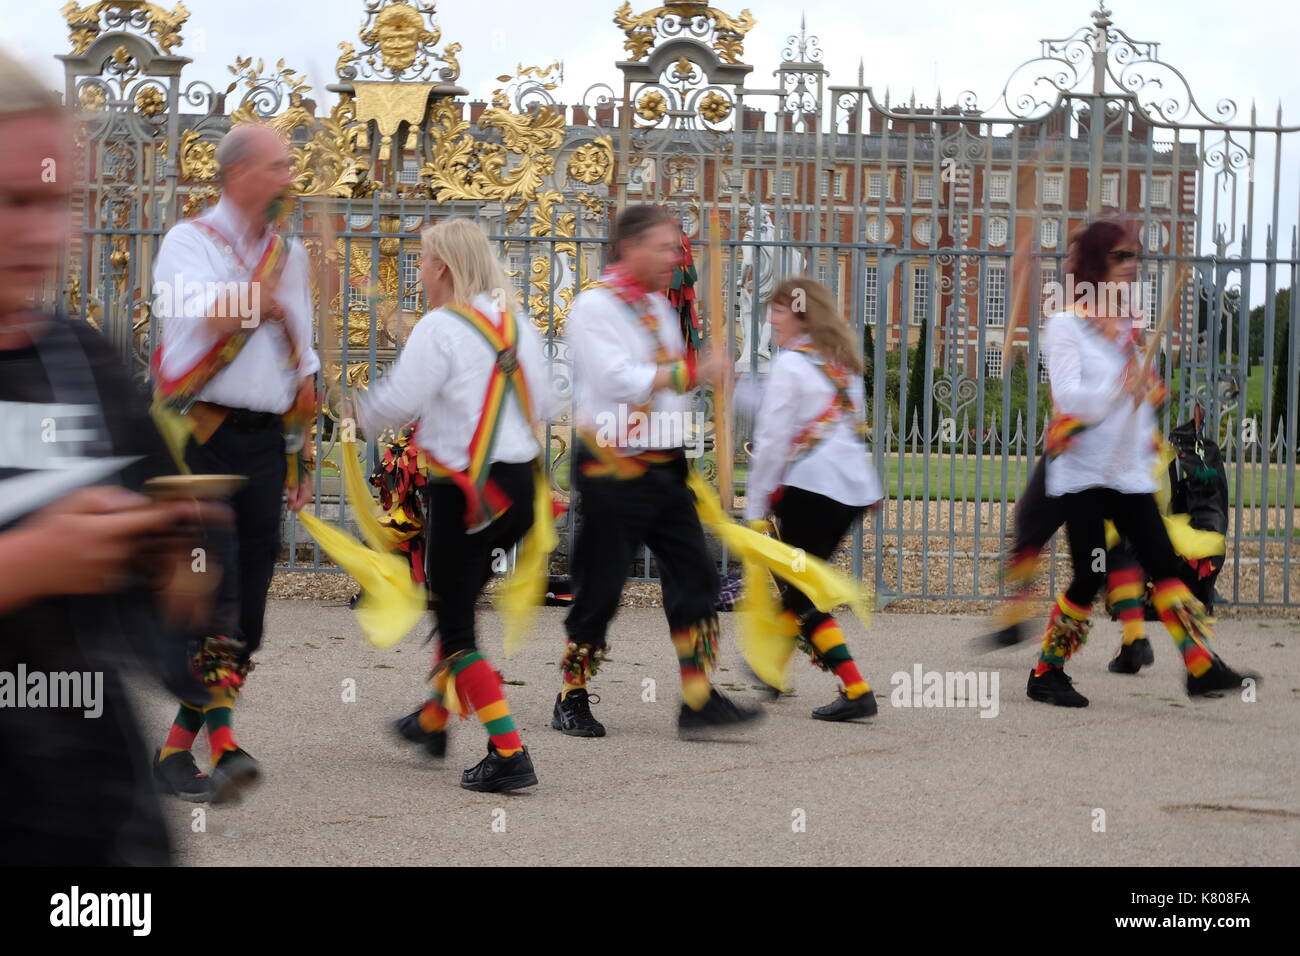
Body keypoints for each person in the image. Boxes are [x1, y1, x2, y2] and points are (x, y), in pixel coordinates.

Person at [0, 50, 224, 864]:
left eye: (63, 203)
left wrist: (179, 555)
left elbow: (172, 578)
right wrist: (28, 561)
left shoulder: (81, 359)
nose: (46, 234)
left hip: (91, 812)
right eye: (14, 201)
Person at [150, 123, 319, 801]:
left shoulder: (292, 255)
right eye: (279, 167)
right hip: (202, 438)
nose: (289, 179)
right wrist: (258, 300)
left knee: (248, 614)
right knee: (213, 597)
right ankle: (224, 746)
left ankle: (171, 754)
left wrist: (302, 450)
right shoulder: (189, 243)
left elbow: (301, 356)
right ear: (240, 173)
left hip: (263, 439)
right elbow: (190, 315)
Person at [356, 218, 551, 792]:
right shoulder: (515, 323)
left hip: (465, 494)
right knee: (456, 599)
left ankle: (508, 751)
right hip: (518, 489)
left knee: (456, 621)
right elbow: (544, 400)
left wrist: (354, 413)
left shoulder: (439, 327)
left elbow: (400, 400)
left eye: (421, 259)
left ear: (441, 266)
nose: (418, 270)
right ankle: (434, 720)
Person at [554, 204, 762, 737]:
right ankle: (570, 694)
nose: (677, 257)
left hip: (665, 465)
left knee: (696, 578)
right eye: (667, 247)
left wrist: (702, 384)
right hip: (611, 466)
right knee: (600, 589)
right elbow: (622, 379)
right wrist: (693, 369)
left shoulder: (659, 309)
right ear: (632, 248)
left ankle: (698, 698)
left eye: (678, 246)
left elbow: (666, 387)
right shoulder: (594, 308)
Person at [1028, 219, 1248, 707]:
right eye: (1122, 257)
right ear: (1097, 264)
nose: (1132, 266)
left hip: (1124, 472)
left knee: (1164, 564)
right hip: (1083, 474)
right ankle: (1046, 671)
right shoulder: (1065, 326)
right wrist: (1117, 390)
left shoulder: (1122, 328)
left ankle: (1199, 666)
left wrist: (1146, 396)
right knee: (1090, 572)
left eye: (1134, 257)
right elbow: (1068, 397)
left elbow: (1131, 402)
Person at [743, 278, 883, 719]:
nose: (771, 319)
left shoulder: (790, 365)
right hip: (850, 492)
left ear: (802, 314)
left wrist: (754, 504)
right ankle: (771, 670)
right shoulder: (841, 362)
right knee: (801, 586)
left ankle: (857, 690)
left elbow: (772, 440)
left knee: (801, 592)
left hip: (810, 490)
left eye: (779, 311)